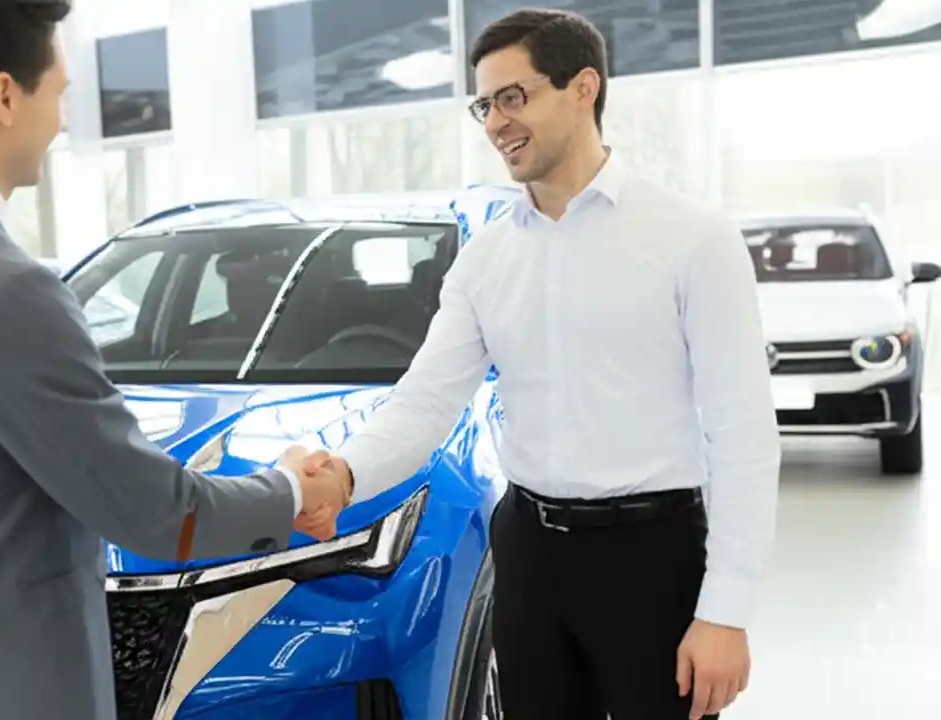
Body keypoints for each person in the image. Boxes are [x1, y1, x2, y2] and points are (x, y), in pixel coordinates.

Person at [0, 2, 350, 719]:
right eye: (60, 92)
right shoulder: (7, 287)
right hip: (7, 686)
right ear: (5, 96)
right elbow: (157, 514)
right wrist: (289, 489)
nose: (63, 119)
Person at [297, 8, 780, 720]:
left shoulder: (690, 238)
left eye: (514, 96)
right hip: (528, 553)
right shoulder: (488, 256)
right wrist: (343, 473)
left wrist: (726, 612)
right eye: (485, 104)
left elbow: (743, 433)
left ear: (584, 87)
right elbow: (427, 401)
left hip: (652, 555)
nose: (496, 122)